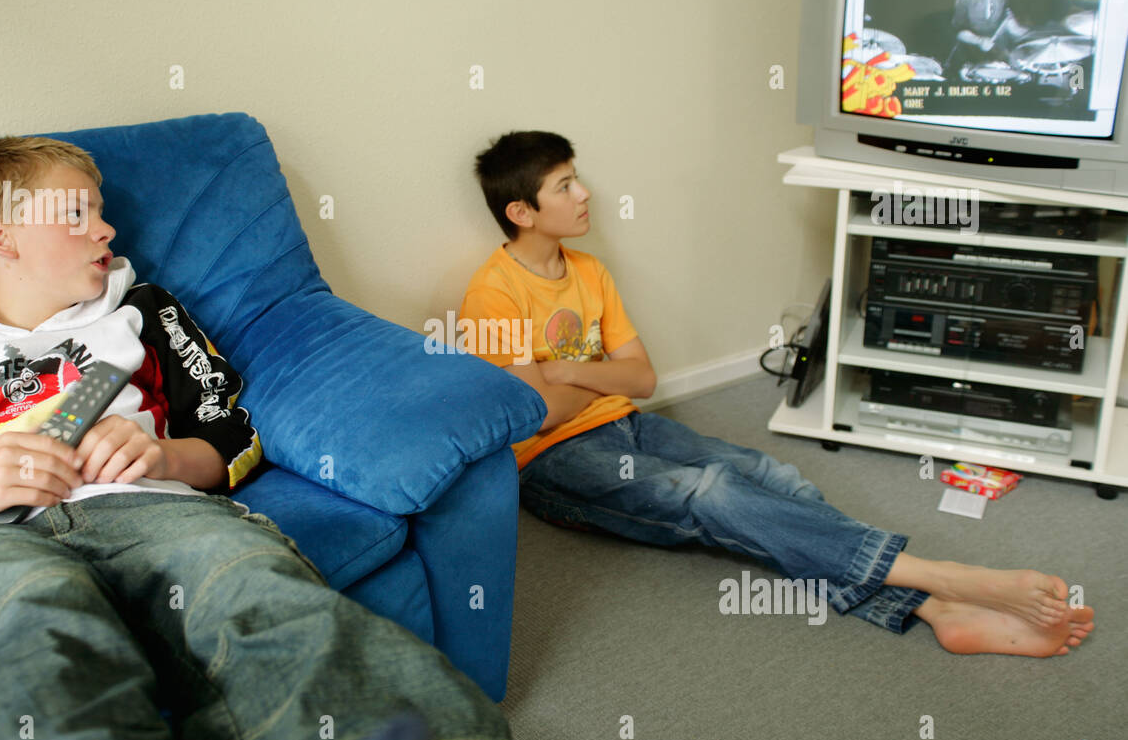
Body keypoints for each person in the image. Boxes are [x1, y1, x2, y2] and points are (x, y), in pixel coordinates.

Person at [0, 136, 525, 740]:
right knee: (21, 623)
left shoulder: (145, 311)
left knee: (254, 589)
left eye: (102, 211)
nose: (106, 229)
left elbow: (235, 436)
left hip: (147, 513)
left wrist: (165, 458)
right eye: (77, 213)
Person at [458, 130, 1095, 658]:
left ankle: (933, 610)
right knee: (711, 494)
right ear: (523, 212)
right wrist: (585, 376)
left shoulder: (589, 270)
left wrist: (565, 372)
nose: (585, 192)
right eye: (564, 185)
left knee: (772, 472)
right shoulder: (492, 294)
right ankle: (944, 579)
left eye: (578, 177)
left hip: (625, 421)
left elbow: (643, 379)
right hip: (549, 464)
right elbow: (534, 416)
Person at [944, 0, 1028, 79]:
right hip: (970, 49)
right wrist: (979, 41)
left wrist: (1017, 28)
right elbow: (958, 31)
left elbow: (1005, 18)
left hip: (996, 47)